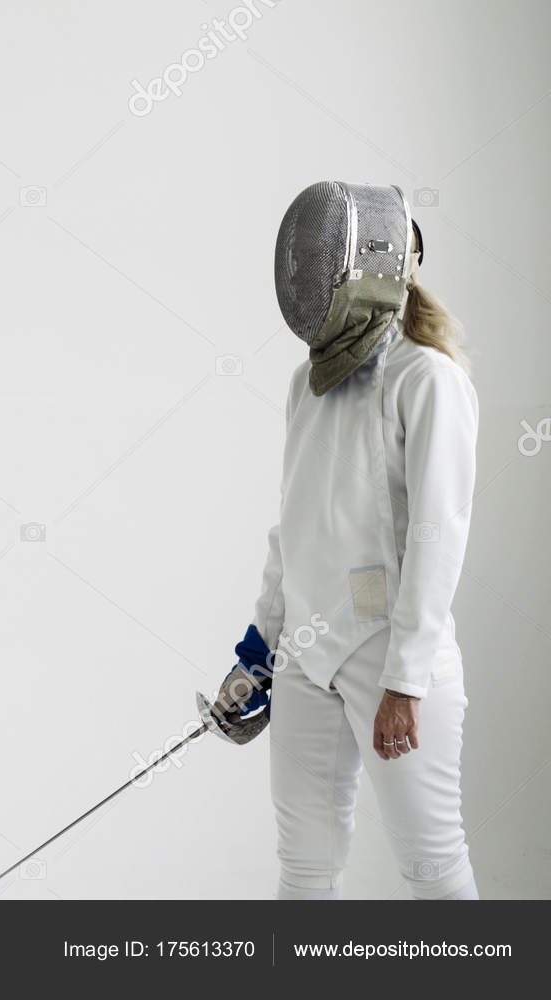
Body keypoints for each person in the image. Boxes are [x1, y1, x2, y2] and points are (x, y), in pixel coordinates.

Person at [209, 182, 479, 899]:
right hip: (305, 656)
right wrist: (258, 656)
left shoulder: (427, 378)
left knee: (432, 862)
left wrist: (406, 680)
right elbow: (292, 530)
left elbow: (438, 535)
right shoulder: (308, 384)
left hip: (390, 656)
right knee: (304, 867)